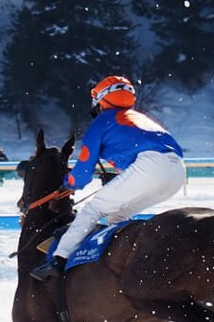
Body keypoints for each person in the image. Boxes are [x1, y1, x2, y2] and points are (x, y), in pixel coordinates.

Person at [29, 76, 185, 282]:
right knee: (117, 216)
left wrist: (68, 184)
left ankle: (58, 260)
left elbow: (82, 173)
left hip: (150, 167)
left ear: (101, 99)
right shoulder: (141, 118)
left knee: (93, 209)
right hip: (178, 173)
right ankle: (121, 262)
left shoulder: (102, 122)